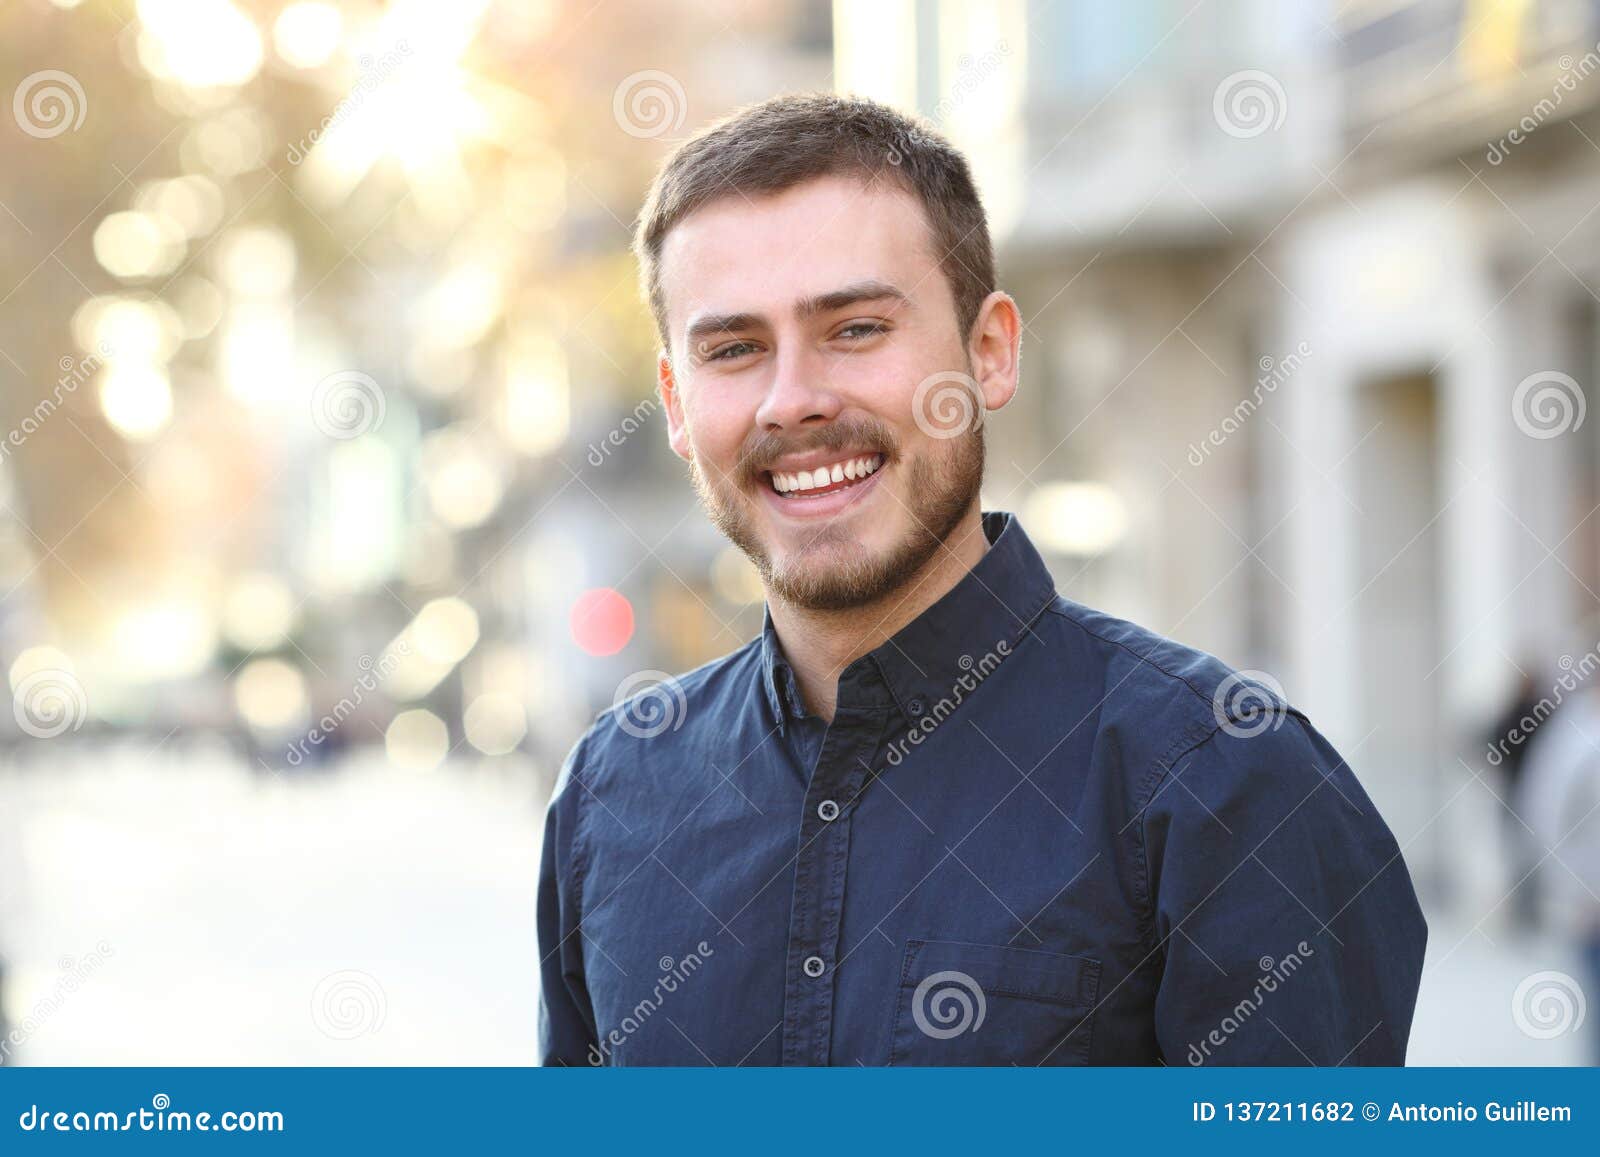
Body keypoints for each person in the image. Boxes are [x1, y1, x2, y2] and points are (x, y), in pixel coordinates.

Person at [537, 93, 1427, 1066]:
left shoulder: (1228, 786)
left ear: (989, 351)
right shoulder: (613, 797)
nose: (792, 399)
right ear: (675, 401)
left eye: (856, 327)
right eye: (735, 349)